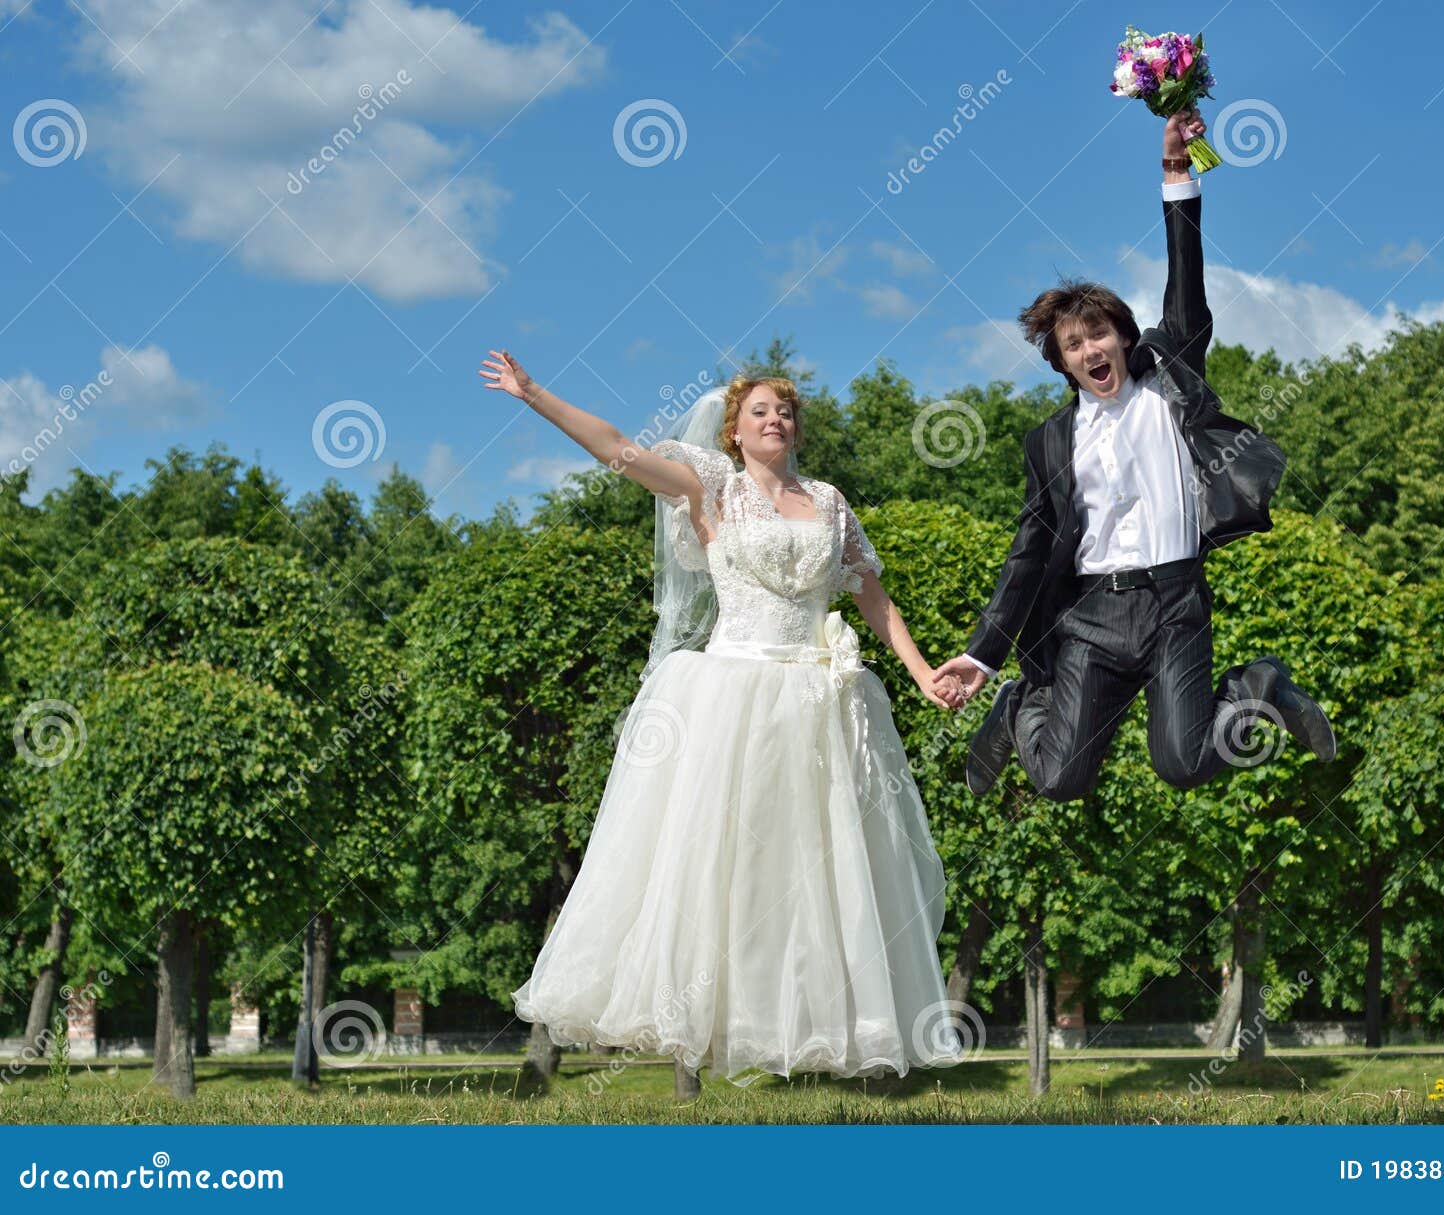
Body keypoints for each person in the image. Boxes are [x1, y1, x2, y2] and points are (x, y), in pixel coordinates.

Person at [481, 350, 966, 1087]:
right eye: (761, 411)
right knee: (719, 868)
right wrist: (533, 392)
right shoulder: (709, 488)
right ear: (735, 430)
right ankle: (703, 1022)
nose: (778, 419)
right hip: (732, 697)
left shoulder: (830, 501)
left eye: (787, 410)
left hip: (821, 703)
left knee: (823, 873)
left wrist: (923, 670)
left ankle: (821, 1025)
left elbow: (872, 595)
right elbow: (619, 449)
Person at [931, 108, 1338, 801]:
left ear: (1123, 336)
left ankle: (1257, 684)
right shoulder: (1051, 442)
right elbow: (1028, 553)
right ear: (1062, 362)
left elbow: (1187, 290)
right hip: (1091, 616)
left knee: (1182, 762)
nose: (1092, 350)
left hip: (1174, 601)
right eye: (1074, 345)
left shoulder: (1168, 378)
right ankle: (1015, 709)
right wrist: (981, 654)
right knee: (1058, 778)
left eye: (1100, 335)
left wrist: (1177, 173)